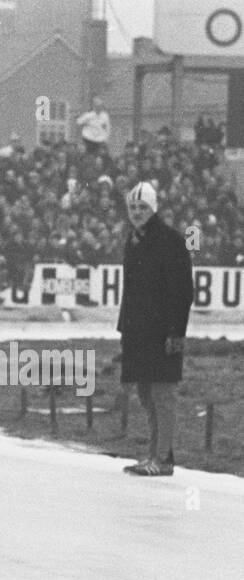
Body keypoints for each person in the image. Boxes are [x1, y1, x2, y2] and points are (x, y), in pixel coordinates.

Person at [117, 181, 194, 476]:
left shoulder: (172, 240)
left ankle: (162, 459)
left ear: (154, 208)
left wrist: (177, 333)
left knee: (163, 394)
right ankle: (155, 454)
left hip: (162, 331)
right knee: (146, 393)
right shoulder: (133, 239)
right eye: (133, 207)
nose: (137, 212)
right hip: (137, 331)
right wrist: (124, 327)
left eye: (143, 207)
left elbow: (184, 290)